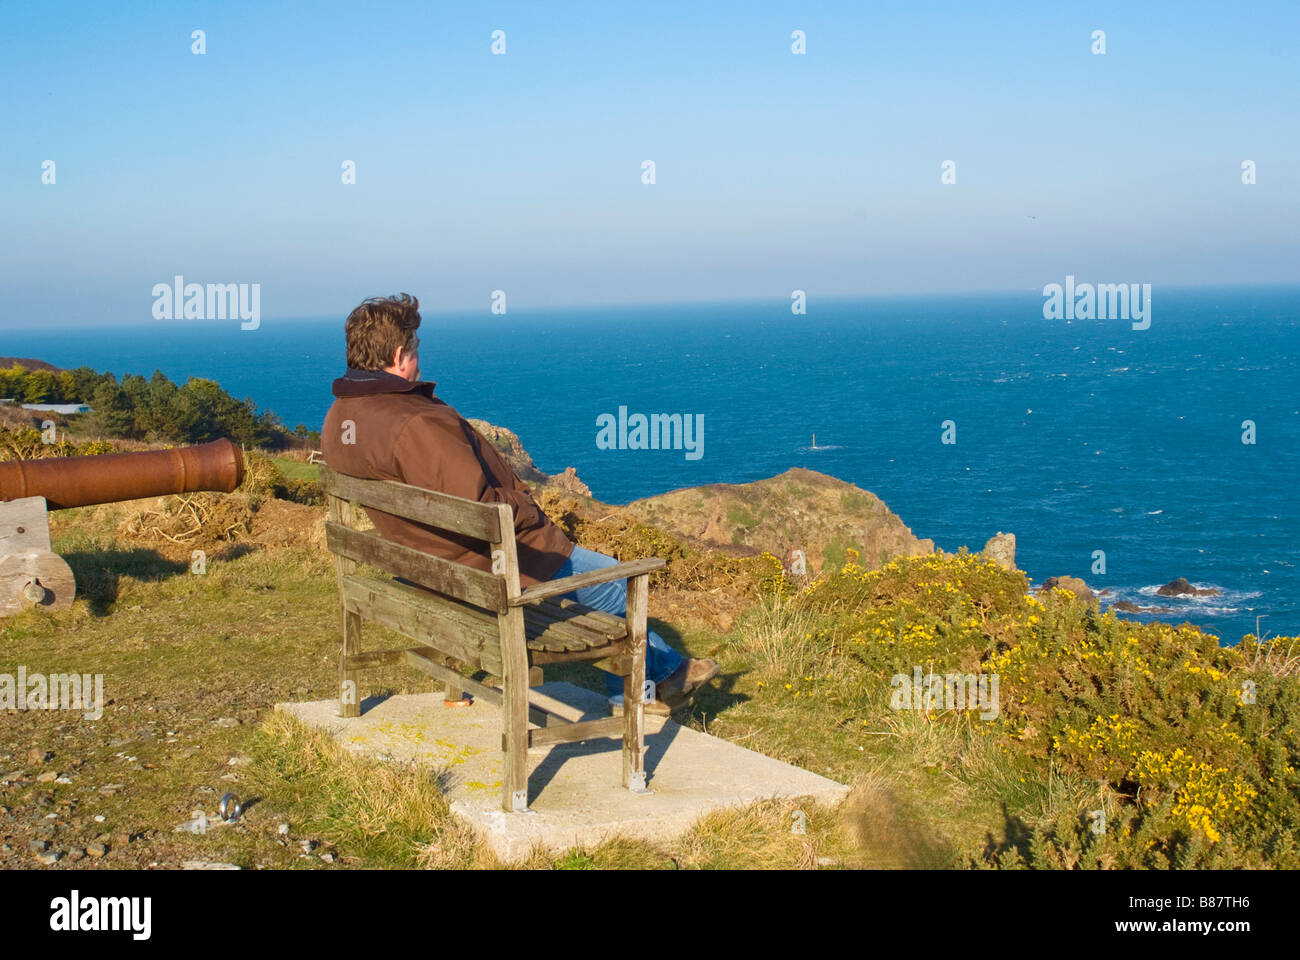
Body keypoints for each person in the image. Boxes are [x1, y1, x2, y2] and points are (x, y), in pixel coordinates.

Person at [321, 293, 720, 713]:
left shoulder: (339, 418)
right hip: (485, 572)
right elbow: (481, 510)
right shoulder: (417, 422)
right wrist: (527, 505)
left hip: (430, 569)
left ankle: (668, 673)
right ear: (400, 355)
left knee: (604, 586)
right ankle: (637, 694)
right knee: (618, 584)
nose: (420, 360)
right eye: (416, 350)